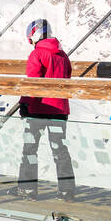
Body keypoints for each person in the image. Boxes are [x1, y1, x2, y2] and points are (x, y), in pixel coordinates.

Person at [16, 18, 76, 200]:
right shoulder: (62, 55)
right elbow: (68, 76)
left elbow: (32, 83)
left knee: (30, 149)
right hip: (59, 109)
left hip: (38, 109)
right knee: (60, 150)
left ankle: (28, 189)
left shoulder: (37, 54)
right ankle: (66, 190)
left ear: (33, 34)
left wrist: (24, 103)